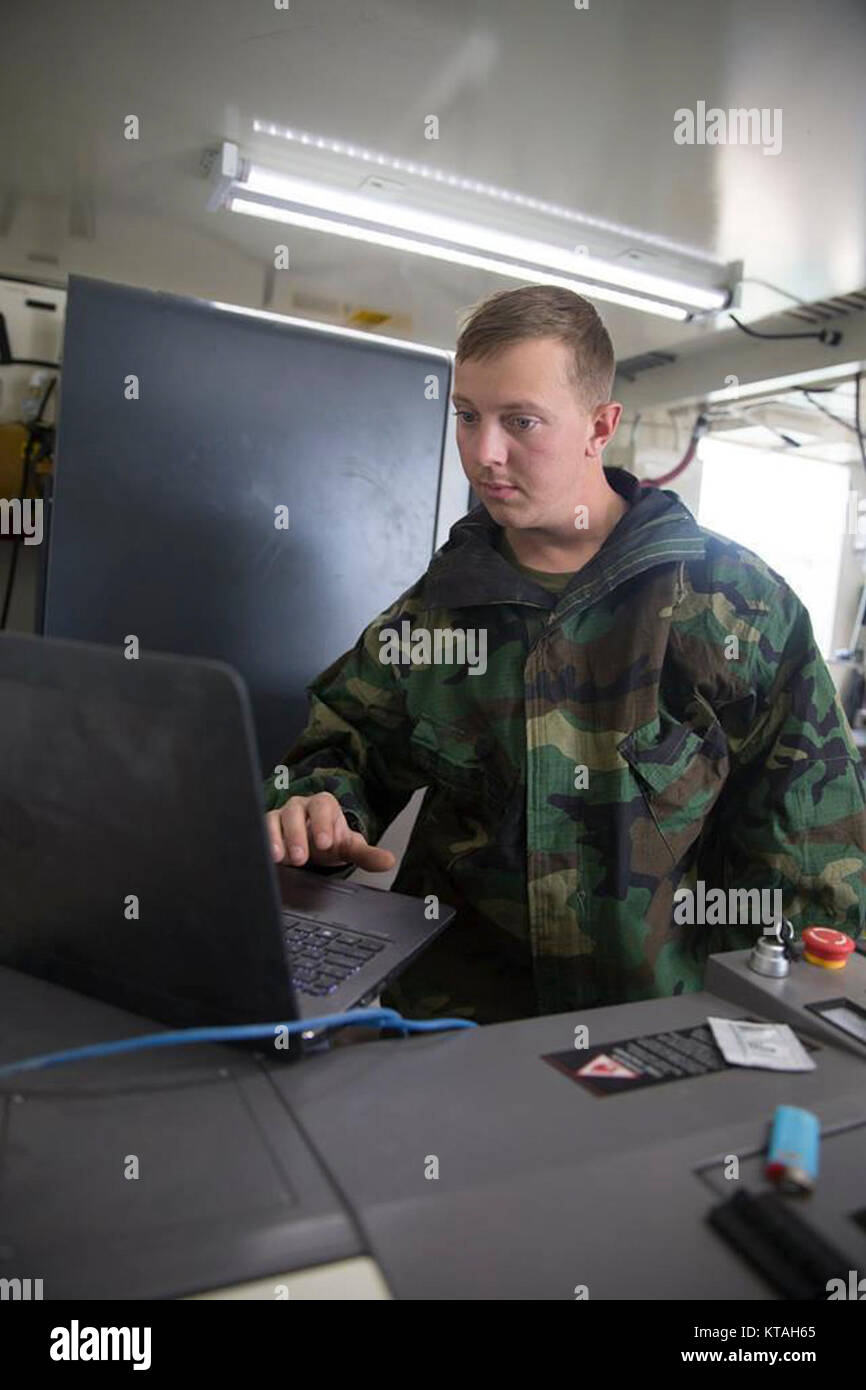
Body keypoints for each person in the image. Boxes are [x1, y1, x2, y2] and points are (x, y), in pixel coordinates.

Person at [265, 283, 866, 1024]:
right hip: (452, 1032)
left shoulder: (737, 608)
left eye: (521, 421)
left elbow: (813, 866)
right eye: (467, 416)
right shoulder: (440, 608)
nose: (484, 454)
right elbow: (339, 747)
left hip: (652, 1036)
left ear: (599, 426)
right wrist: (316, 807)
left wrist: (766, 1036)